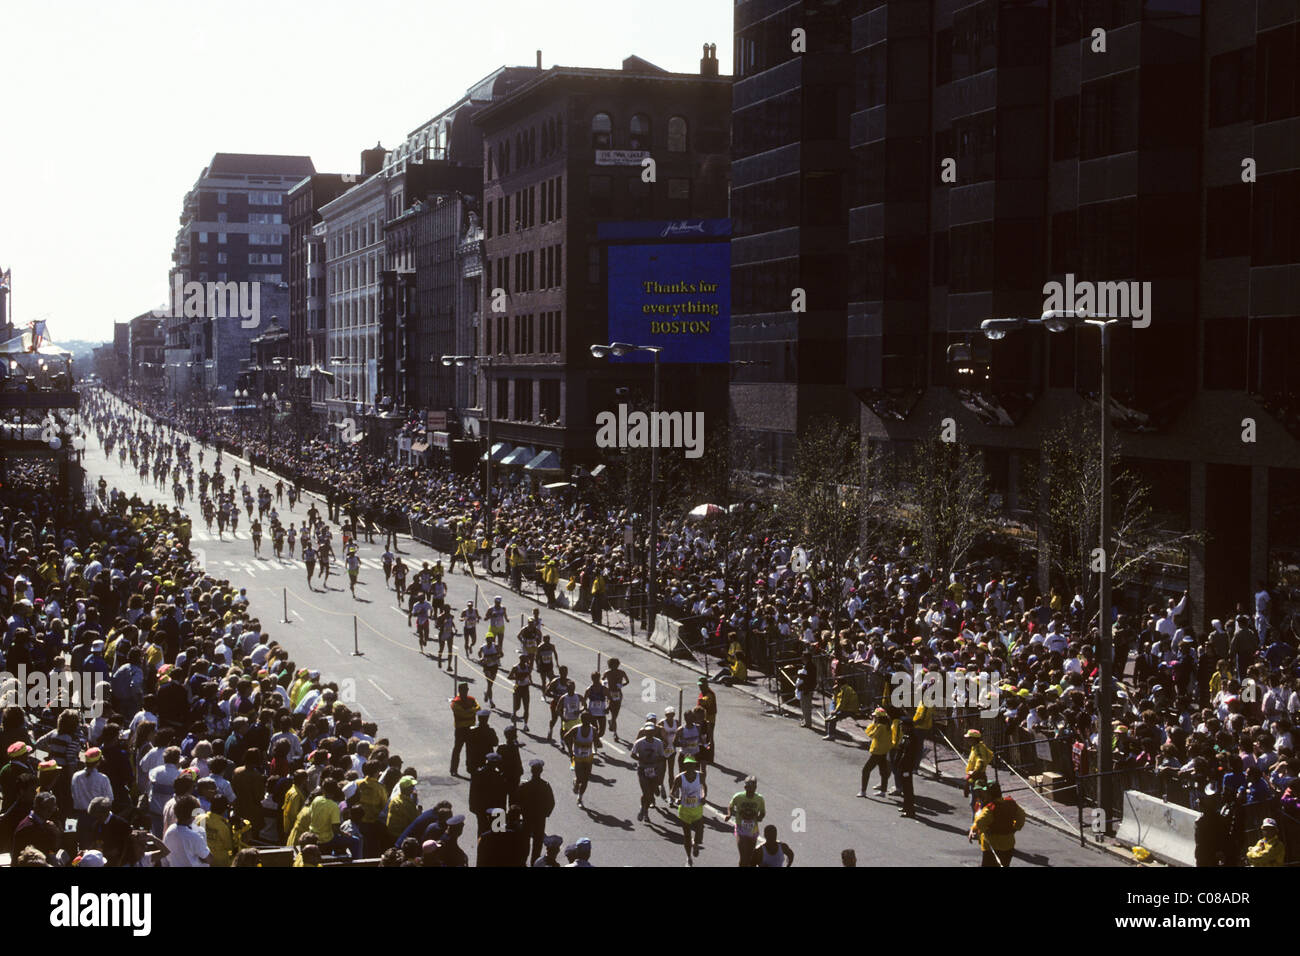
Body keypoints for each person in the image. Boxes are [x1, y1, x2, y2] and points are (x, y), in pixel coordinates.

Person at [969, 781, 1025, 867]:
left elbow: (979, 822)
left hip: (992, 847)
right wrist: (1015, 828)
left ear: (990, 794)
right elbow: (1021, 816)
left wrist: (984, 830)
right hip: (1008, 845)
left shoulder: (990, 808)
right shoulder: (1011, 803)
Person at [514, 759, 555, 863]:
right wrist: (545, 814)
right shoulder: (545, 785)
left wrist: (521, 813)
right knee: (537, 844)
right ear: (541, 771)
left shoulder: (524, 785)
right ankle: (534, 863)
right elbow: (551, 802)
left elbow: (516, 801)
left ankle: (522, 863)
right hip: (540, 819)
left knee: (524, 843)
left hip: (527, 818)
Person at [671, 756, 707, 865]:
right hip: (685, 811)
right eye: (687, 765)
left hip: (697, 809)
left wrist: (704, 797)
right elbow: (672, 793)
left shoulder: (700, 776)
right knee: (687, 836)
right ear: (685, 766)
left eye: (692, 765)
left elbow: (704, 787)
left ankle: (695, 844)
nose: (690, 767)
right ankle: (688, 857)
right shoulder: (679, 778)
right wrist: (676, 799)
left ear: (695, 765)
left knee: (700, 829)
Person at [630, 721, 667, 822]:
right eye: (647, 731)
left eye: (651, 731)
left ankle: (645, 809)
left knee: (650, 793)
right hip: (643, 769)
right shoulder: (639, 742)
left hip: (654, 770)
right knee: (646, 792)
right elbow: (632, 754)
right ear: (644, 732)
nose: (649, 733)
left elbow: (662, 757)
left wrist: (655, 761)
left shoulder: (658, 742)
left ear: (654, 732)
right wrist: (641, 759)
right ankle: (643, 810)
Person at [725, 776, 766, 865]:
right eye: (748, 788)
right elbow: (730, 806)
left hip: (753, 830)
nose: (750, 790)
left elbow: (762, 812)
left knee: (749, 857)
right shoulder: (738, 796)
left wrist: (760, 817)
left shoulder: (759, 799)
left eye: (753, 788)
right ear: (745, 787)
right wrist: (729, 814)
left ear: (755, 788)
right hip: (741, 829)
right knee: (743, 857)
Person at [857, 708, 895, 797]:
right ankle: (883, 791)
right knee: (883, 772)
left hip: (877, 752)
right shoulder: (888, 725)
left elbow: (871, 734)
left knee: (866, 770)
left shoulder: (880, 727)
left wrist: (872, 724)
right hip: (884, 751)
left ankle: (863, 791)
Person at [565, 712, 600, 808]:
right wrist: (570, 751)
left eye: (589, 720)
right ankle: (576, 782)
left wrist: (597, 743)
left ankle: (579, 798)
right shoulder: (576, 729)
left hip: (588, 758)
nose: (587, 722)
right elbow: (566, 737)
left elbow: (597, 741)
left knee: (585, 780)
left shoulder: (593, 730)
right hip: (578, 757)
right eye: (585, 720)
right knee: (580, 778)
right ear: (582, 720)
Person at [449, 684, 479, 777]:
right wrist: (472, 711)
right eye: (464, 690)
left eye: (466, 690)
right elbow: (461, 713)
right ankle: (453, 769)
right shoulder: (455, 702)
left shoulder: (471, 699)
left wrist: (468, 711)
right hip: (460, 729)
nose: (465, 692)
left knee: (470, 750)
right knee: (457, 749)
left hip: (470, 729)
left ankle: (470, 768)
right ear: (460, 690)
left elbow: (479, 708)